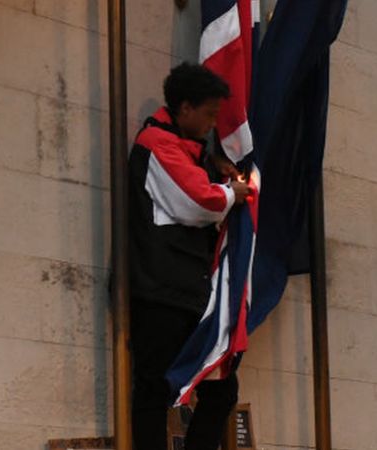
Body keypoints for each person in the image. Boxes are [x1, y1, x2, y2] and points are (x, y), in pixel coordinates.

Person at [128, 62, 251, 450]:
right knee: (154, 388)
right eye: (210, 114)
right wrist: (234, 192)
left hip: (191, 292)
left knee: (220, 389)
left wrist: (215, 164)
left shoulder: (186, 147)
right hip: (161, 291)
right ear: (184, 109)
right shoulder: (156, 143)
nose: (214, 124)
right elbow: (201, 200)